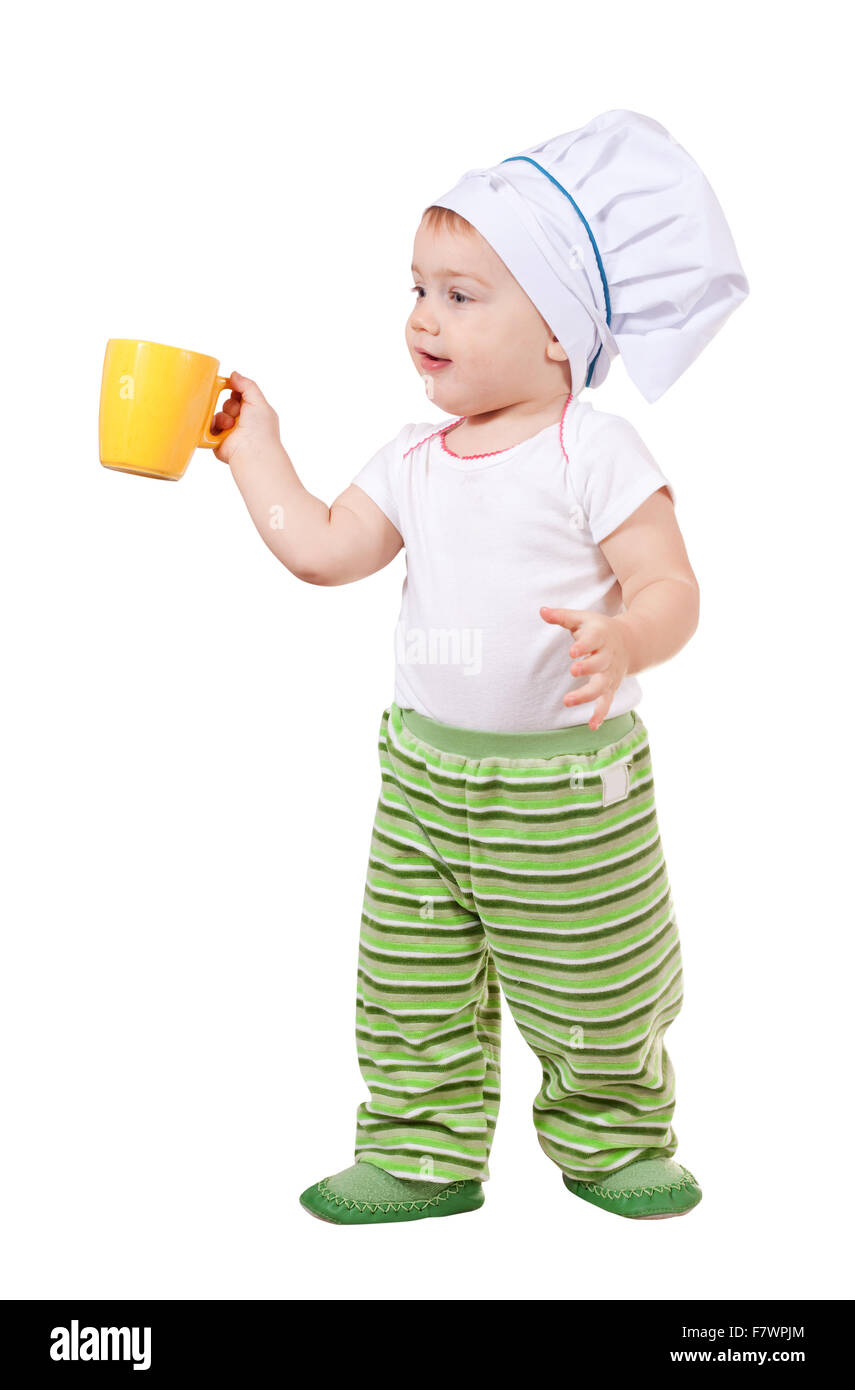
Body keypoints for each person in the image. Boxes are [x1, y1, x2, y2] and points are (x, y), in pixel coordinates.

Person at [211, 109, 749, 1224]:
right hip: (423, 783)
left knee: (600, 980)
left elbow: (671, 585)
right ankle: (420, 1148)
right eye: (417, 288)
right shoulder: (410, 459)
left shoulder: (590, 451)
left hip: (566, 794)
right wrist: (253, 450)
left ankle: (612, 1131)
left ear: (559, 330)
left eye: (461, 294)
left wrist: (631, 638)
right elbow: (320, 547)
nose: (422, 318)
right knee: (409, 986)